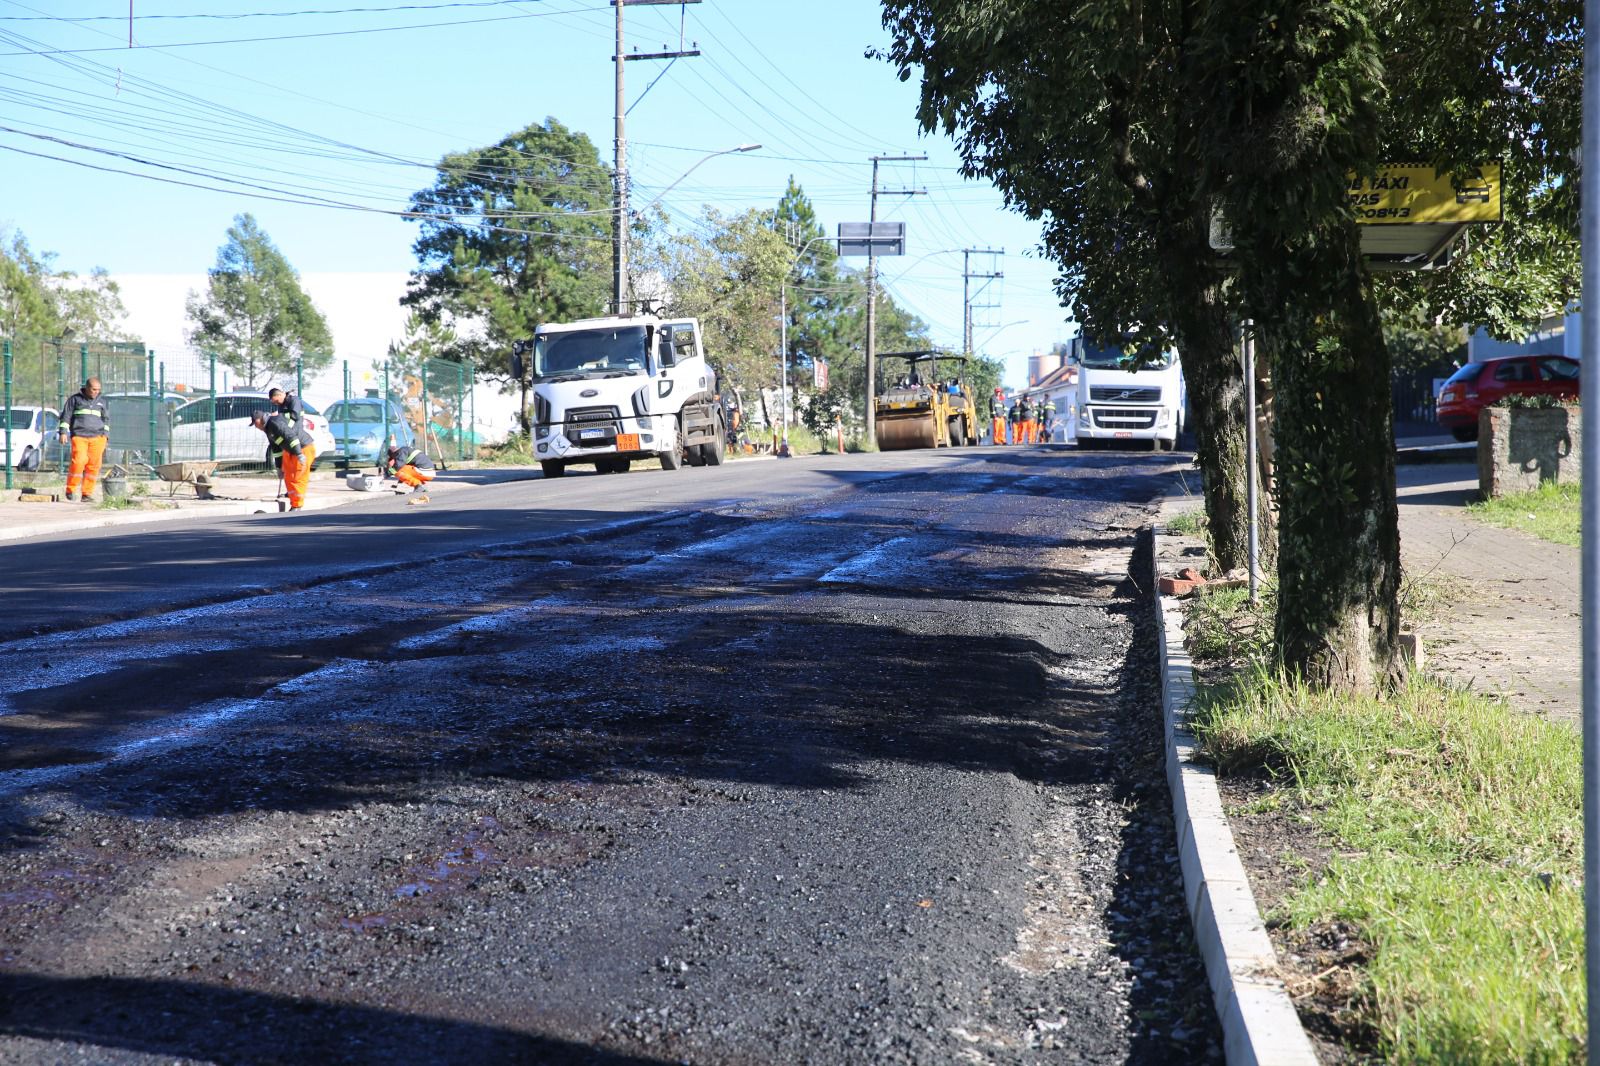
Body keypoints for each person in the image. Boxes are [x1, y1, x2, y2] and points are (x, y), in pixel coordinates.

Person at [250, 408, 316, 510]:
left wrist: (299, 454)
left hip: (303, 448)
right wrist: (279, 467)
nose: (256, 426)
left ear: (260, 419)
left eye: (255, 423)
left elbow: (291, 437)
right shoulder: (267, 428)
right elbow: (276, 449)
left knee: (298, 477)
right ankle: (294, 503)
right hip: (290, 451)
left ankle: (297, 505)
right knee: (288, 476)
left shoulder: (274, 422)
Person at [59, 377, 109, 503]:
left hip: (98, 438)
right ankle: (70, 489)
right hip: (79, 436)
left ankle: (87, 494)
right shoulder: (75, 399)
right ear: (86, 388)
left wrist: (105, 436)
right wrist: (63, 432)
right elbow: (66, 416)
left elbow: (106, 420)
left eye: (98, 390)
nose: (96, 392)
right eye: (94, 389)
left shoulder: (102, 402)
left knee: (93, 466)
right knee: (79, 461)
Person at [382, 440, 435, 504]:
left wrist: (386, 474)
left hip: (425, 472)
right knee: (399, 469)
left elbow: (398, 466)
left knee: (397, 470)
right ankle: (422, 486)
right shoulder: (405, 450)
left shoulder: (401, 452)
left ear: (393, 454)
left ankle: (418, 485)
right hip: (428, 472)